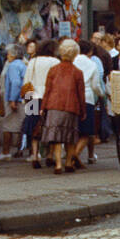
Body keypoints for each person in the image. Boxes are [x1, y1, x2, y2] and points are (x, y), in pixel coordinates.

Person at [39, 39, 86, 174]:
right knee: (70, 136)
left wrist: (43, 107)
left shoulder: (53, 70)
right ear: (75, 54)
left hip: (54, 105)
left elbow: (47, 90)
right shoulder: (77, 72)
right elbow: (80, 94)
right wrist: (83, 110)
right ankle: (68, 162)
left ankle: (58, 164)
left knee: (57, 137)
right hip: (71, 106)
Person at [22, 40, 59, 168]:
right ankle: (49, 155)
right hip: (50, 98)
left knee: (33, 127)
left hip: (33, 97)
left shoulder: (33, 61)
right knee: (51, 126)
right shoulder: (55, 62)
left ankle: (35, 155)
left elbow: (27, 81)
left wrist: (25, 99)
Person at [72, 41, 101, 168]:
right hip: (87, 98)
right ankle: (74, 155)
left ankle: (72, 155)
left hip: (71, 98)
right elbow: (95, 85)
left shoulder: (72, 61)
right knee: (86, 132)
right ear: (90, 52)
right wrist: (101, 94)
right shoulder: (92, 64)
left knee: (74, 130)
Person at [0, 44, 27, 160]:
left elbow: (15, 82)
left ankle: (6, 152)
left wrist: (12, 99)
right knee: (22, 125)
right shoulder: (24, 65)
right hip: (25, 97)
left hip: (15, 99)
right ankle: (21, 149)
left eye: (9, 53)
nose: (7, 56)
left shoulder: (12, 66)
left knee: (7, 125)